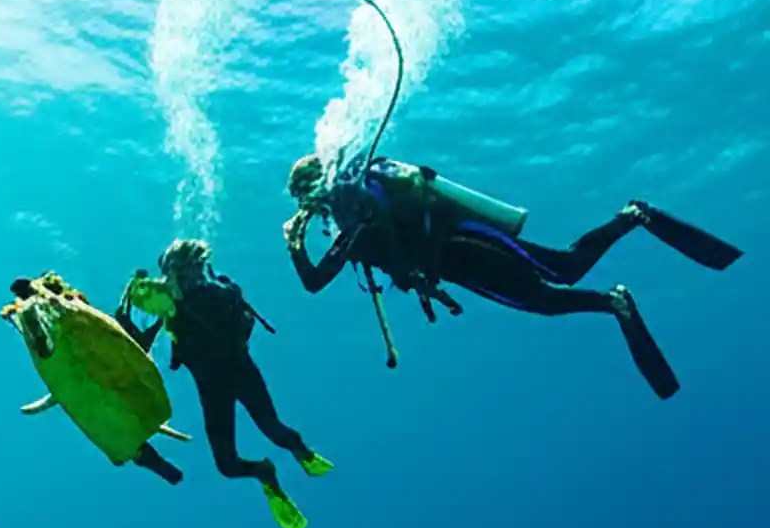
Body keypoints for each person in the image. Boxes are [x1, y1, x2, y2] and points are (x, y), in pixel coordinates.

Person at [282, 153, 744, 399]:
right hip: (458, 258)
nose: (307, 210)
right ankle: (614, 298)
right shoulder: (353, 212)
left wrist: (295, 246)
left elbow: (315, 280)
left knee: (560, 273)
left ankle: (632, 220)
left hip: (465, 247)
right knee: (548, 290)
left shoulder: (354, 213)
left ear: (312, 192)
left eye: (303, 200)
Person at [112, 239, 333, 528]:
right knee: (235, 458)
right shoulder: (180, 302)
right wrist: (127, 313)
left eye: (180, 270)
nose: (181, 277)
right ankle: (271, 468)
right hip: (226, 380)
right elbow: (142, 344)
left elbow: (142, 343)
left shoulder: (208, 296)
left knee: (269, 433)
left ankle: (296, 453)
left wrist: (129, 312)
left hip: (230, 377)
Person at [6, 276, 186, 487]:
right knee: (123, 425)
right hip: (90, 354)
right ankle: (152, 459)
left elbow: (62, 380)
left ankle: (150, 459)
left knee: (121, 433)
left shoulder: (66, 309)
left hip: (83, 355)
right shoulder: (72, 307)